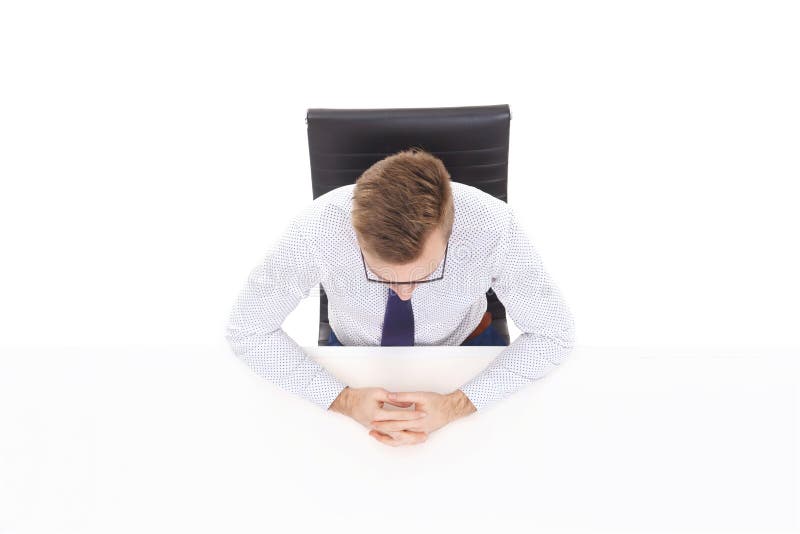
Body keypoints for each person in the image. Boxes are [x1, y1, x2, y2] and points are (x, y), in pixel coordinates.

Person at [225, 148, 575, 447]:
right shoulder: (317, 229)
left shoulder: (493, 225)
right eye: (383, 276)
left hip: (465, 347)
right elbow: (247, 330)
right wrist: (342, 399)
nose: (404, 293)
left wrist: (457, 404)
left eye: (423, 274)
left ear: (450, 230)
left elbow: (554, 334)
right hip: (353, 354)